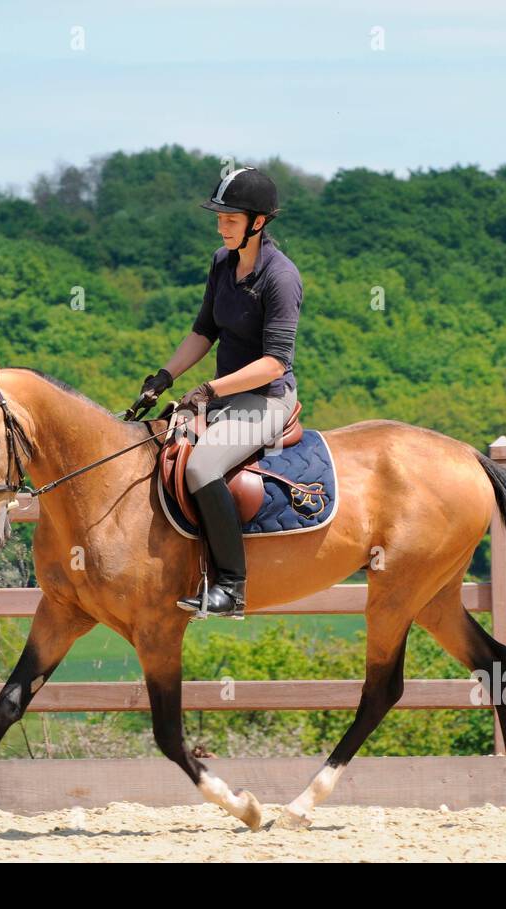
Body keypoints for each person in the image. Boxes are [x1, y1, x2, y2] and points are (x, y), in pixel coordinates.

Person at [139, 166, 302, 619]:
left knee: (202, 465)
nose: (221, 225)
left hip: (267, 399)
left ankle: (231, 587)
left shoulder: (281, 278)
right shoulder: (221, 262)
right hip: (224, 397)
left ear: (258, 222)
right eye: (219, 217)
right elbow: (203, 332)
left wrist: (209, 389)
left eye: (231, 218)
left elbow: (275, 362)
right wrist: (164, 377)